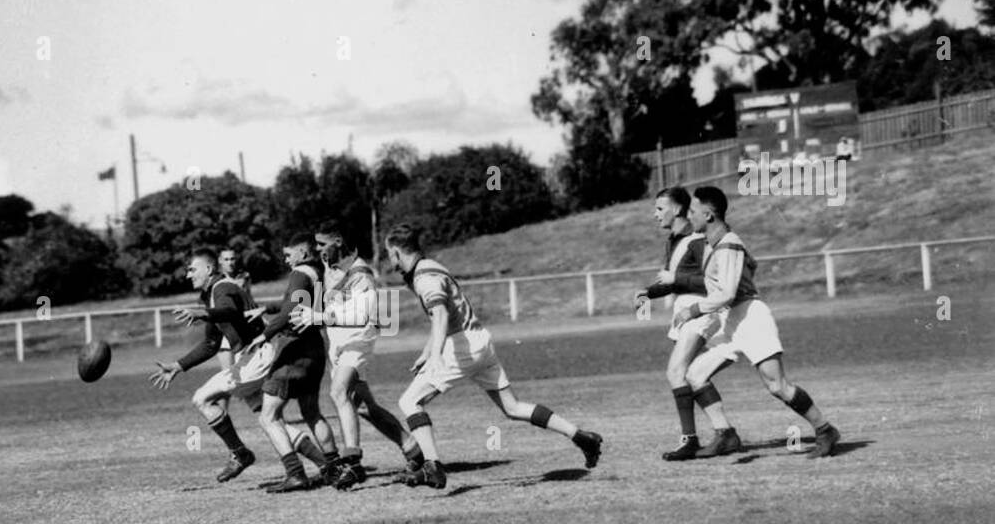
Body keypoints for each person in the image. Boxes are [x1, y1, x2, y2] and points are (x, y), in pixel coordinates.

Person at [384, 223, 603, 489]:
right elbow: (443, 315)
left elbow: (440, 316)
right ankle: (580, 436)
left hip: (460, 346)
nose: (390, 262)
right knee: (512, 407)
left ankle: (433, 466)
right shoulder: (432, 265)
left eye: (389, 255)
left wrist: (437, 354)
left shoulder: (424, 278)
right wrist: (426, 352)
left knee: (409, 402)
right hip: (480, 341)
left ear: (396, 251)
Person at [676, 186, 841, 458]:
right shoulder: (714, 244)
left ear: (707, 215)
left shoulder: (728, 244)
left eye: (692, 211)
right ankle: (726, 435)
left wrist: (692, 310)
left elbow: (728, 292)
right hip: (731, 319)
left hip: (751, 317)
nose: (688, 216)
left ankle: (824, 429)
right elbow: (746, 270)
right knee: (695, 374)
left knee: (777, 386)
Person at [289, 226, 425, 490]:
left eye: (321, 244)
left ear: (338, 241)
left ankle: (352, 462)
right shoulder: (330, 265)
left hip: (358, 341)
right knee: (364, 407)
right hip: (339, 345)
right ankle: (413, 450)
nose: (317, 250)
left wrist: (318, 317)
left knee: (339, 393)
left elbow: (363, 315)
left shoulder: (361, 273)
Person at [636, 186, 737, 460]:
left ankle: (695, 439)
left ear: (678, 209)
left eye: (660, 208)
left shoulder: (696, 240)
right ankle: (721, 433)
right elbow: (672, 282)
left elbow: (711, 282)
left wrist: (674, 281)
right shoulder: (673, 241)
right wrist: (648, 292)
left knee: (677, 372)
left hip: (701, 312)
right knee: (692, 374)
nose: (655, 214)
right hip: (685, 313)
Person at [150, 249, 267, 482]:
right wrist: (178, 366)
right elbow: (212, 343)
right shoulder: (209, 294)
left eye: (192, 269)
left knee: (202, 398)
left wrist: (204, 313)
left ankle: (240, 453)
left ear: (209, 269)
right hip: (252, 355)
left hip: (257, 355)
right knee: (269, 418)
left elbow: (229, 311)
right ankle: (322, 462)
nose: (188, 275)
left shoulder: (221, 288)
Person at [238, 235, 341, 493]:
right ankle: (334, 466)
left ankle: (295, 473)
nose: (285, 260)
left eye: (288, 254)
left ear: (302, 252)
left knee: (268, 416)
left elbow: (292, 309)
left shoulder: (298, 273)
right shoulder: (319, 272)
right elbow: (298, 304)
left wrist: (264, 335)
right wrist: (267, 308)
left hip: (294, 350)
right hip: (316, 347)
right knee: (311, 412)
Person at [216, 247, 254, 371]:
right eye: (226, 259)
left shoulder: (244, 276)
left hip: (244, 329)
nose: (230, 262)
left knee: (245, 372)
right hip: (225, 330)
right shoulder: (216, 281)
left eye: (232, 259)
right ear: (220, 261)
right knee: (227, 374)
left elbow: (249, 299)